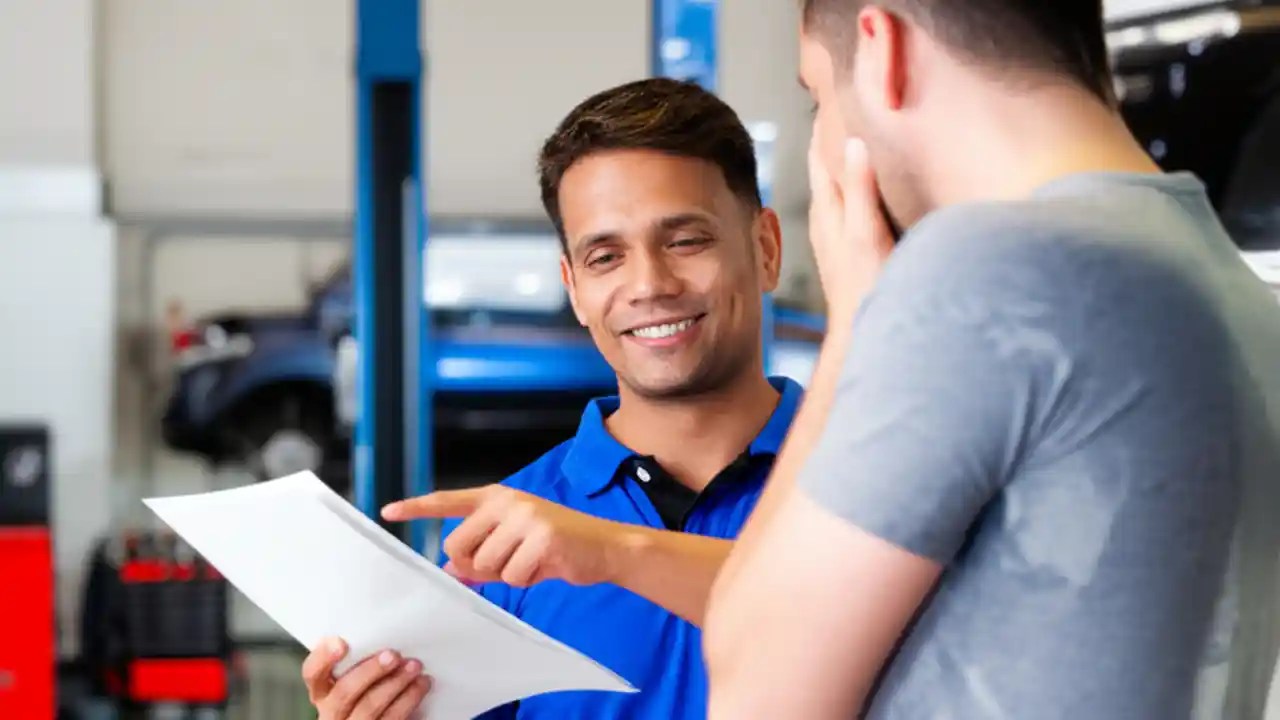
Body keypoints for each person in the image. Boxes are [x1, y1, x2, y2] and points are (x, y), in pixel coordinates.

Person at [702, 2, 1280, 719]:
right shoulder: (1226, 280)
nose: (822, 139)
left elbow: (756, 689)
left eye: (819, 96)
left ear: (884, 49)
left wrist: (854, 314)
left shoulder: (991, 268)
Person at [299, 77, 805, 719]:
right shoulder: (497, 549)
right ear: (573, 286)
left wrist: (613, 552)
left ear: (765, 248)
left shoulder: (876, 483)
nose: (648, 284)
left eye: (685, 241)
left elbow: (843, 606)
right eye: (604, 256)